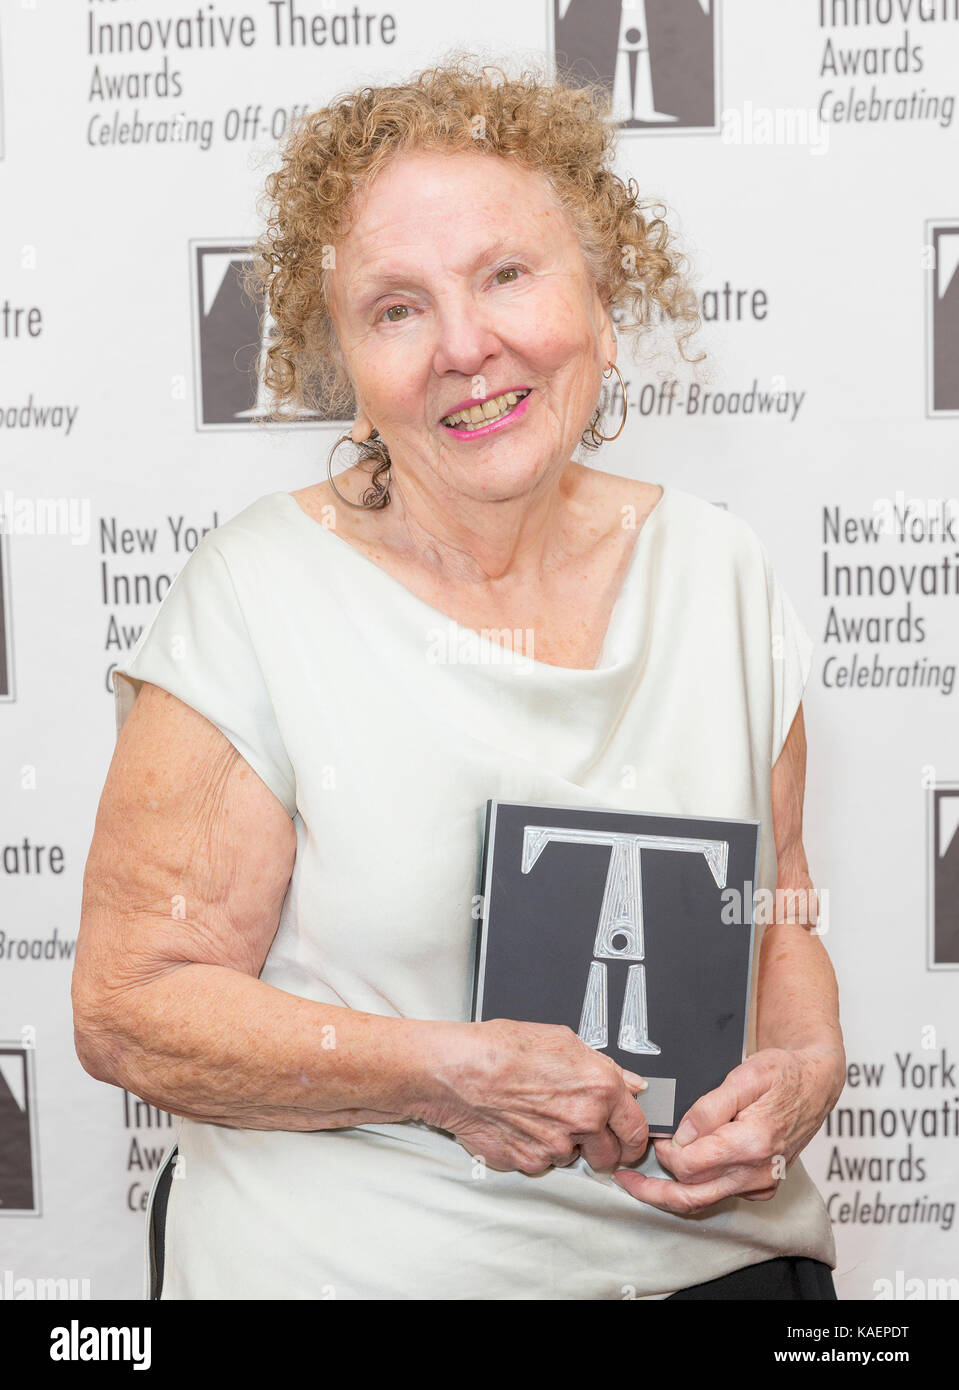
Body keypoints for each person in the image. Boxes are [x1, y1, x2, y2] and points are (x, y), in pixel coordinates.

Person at [73, 56, 845, 1300]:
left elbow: (779, 917)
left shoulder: (722, 572)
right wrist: (446, 1075)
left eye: (505, 275)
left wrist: (805, 1068)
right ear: (346, 368)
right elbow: (129, 1006)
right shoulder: (256, 596)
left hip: (717, 1262)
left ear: (602, 302)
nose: (466, 346)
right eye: (396, 309)